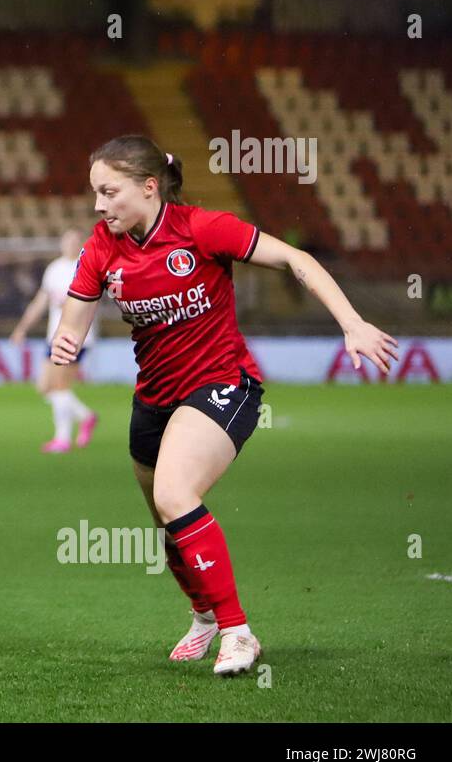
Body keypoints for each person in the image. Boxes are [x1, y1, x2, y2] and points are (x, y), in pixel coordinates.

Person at [51, 135, 398, 676]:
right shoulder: (101, 245)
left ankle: (238, 632)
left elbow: (294, 258)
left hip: (222, 384)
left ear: (148, 187)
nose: (99, 205)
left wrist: (352, 324)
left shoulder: (202, 228)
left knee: (173, 494)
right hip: (154, 398)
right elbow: (74, 320)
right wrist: (65, 342)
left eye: (108, 192)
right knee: (169, 522)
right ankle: (203, 617)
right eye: (95, 192)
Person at [10, 228, 100, 453]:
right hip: (54, 335)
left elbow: (92, 302)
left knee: (60, 386)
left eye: (74, 240)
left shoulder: (86, 266)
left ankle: (62, 438)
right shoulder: (54, 269)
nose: (69, 244)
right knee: (44, 386)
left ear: (80, 243)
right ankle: (86, 416)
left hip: (76, 336)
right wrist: (22, 328)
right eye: (66, 240)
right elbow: (41, 301)